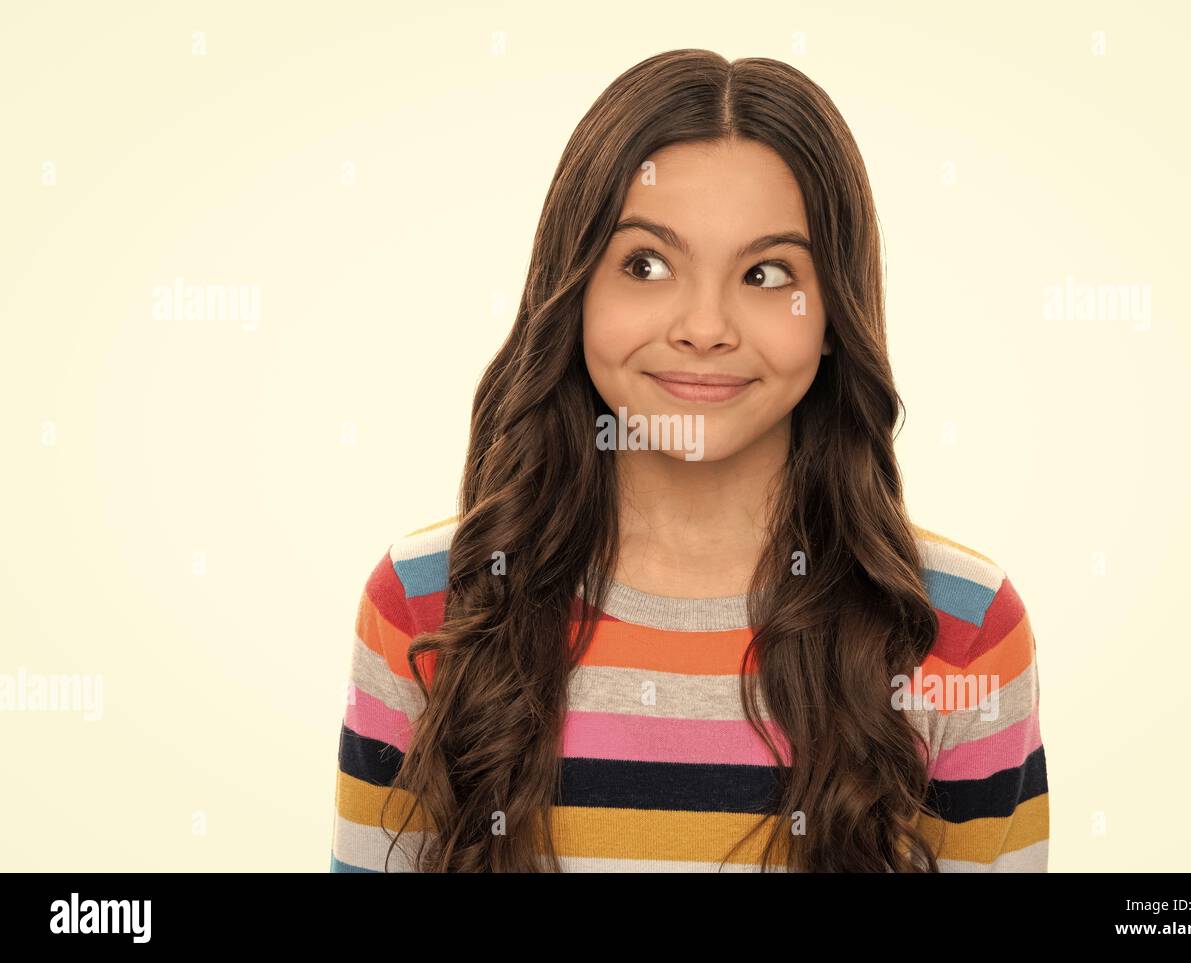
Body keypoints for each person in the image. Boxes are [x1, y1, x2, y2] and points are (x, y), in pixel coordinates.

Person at [330, 48, 1048, 872]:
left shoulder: (960, 629)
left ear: (831, 316)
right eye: (646, 264)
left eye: (767, 272)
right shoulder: (425, 608)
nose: (704, 326)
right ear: (573, 288)